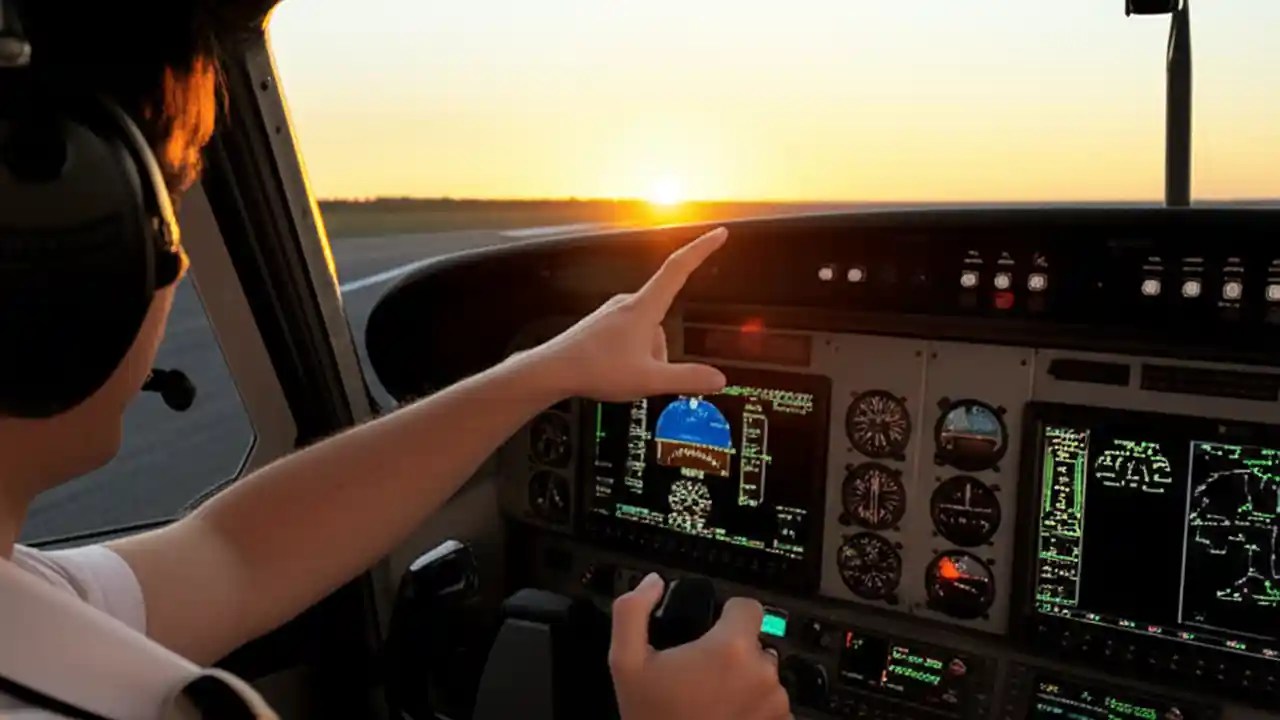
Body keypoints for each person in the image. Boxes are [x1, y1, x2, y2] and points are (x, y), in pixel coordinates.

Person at [0, 2, 792, 719]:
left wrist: (551, 367)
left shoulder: (27, 604)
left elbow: (233, 556)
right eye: (168, 206)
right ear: (58, 255)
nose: (173, 268)